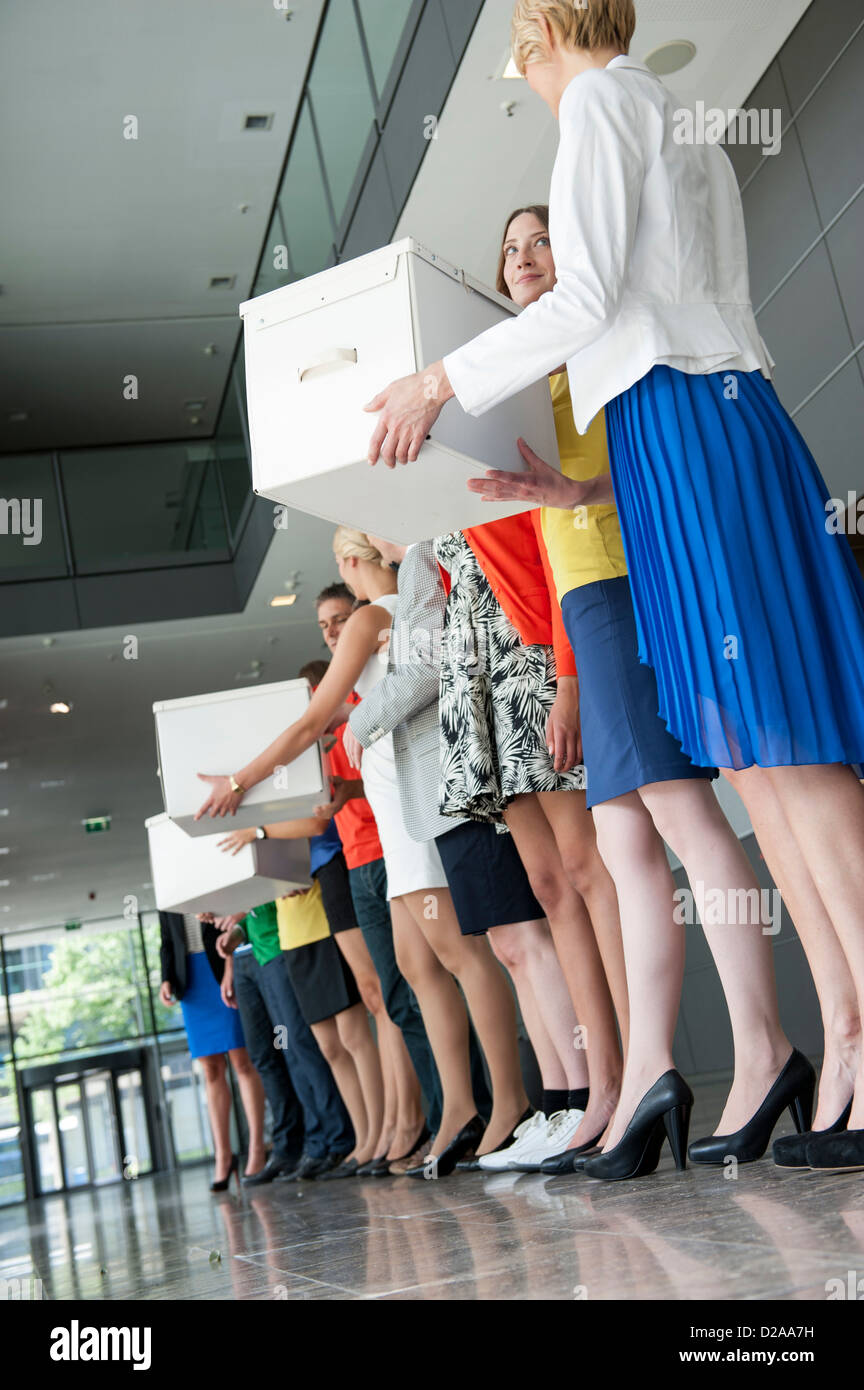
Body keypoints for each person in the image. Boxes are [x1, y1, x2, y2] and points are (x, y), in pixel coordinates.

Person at [366, 1, 864, 1171]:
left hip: (689, 426)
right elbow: (640, 306)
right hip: (680, 430)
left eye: (515, 54)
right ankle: (843, 1042)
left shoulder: (599, 101)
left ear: (542, 32)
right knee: (758, 762)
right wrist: (575, 489)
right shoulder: (650, 110)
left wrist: (437, 377)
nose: (521, 75)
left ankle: (855, 1038)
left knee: (786, 755)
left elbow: (585, 300)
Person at [196, 535, 495, 1176]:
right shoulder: (388, 618)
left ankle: (496, 1108)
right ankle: (460, 1110)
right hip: (393, 815)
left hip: (410, 811)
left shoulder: (373, 616)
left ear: (351, 562)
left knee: (458, 956)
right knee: (417, 967)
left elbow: (311, 725)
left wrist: (238, 784)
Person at [344, 533, 594, 1172]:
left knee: (523, 936)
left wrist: (358, 722)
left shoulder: (429, 554)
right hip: (457, 775)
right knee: (513, 945)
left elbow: (426, 670)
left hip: (468, 766)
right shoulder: (424, 560)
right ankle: (560, 1098)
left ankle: (575, 1093)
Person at [218, 804, 387, 1179]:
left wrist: (261, 833)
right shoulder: (255, 819)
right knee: (329, 1045)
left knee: (352, 1035)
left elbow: (318, 828)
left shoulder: (281, 807)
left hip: (321, 914)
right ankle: (363, 1139)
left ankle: (380, 1132)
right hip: (290, 933)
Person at [214, 903, 355, 1181]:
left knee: (298, 1046)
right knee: (285, 1052)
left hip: (278, 948)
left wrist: (240, 912)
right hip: (261, 953)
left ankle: (337, 1140)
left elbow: (267, 896)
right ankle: (315, 1144)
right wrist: (238, 929)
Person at [158, 910, 265, 1191]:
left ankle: (257, 1148)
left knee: (242, 1063)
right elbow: (167, 939)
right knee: (210, 1069)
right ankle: (223, 1156)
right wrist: (166, 977)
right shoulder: (167, 883)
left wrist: (230, 962)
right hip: (189, 980)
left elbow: (227, 917)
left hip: (219, 966)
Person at [217, 918, 306, 1185]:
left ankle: (315, 1139)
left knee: (289, 1046)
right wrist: (230, 966)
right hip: (241, 958)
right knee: (263, 1057)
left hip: (267, 950)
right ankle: (285, 1148)